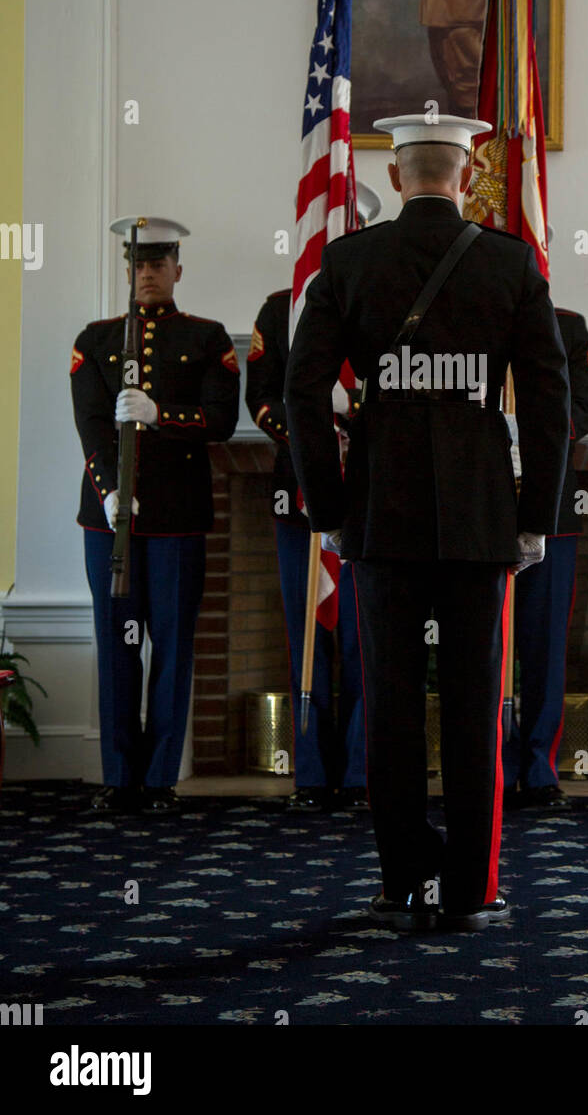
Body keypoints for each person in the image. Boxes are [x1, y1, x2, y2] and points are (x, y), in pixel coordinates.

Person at [285, 113, 570, 931]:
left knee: (393, 703)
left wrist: (330, 508)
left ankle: (402, 880)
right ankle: (472, 888)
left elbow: (304, 392)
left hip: (381, 517)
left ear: (402, 176)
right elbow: (548, 402)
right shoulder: (512, 263)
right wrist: (534, 518)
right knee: (476, 704)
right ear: (463, 172)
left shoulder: (348, 260)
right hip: (484, 520)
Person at [71, 216, 239, 813]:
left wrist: (158, 412)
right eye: (140, 265)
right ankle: (120, 776)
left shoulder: (208, 336)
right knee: (117, 643)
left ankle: (161, 776)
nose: (148, 274)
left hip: (176, 518)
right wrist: (111, 491)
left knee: (171, 644)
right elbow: (91, 425)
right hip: (109, 517)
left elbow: (220, 421)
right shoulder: (95, 339)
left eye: (159, 264)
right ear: (127, 271)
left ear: (177, 271)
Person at [246, 286, 367, 811]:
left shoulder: (381, 296)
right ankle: (313, 772)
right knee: (307, 636)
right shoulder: (279, 309)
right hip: (300, 491)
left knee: (366, 643)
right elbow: (262, 398)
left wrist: (355, 411)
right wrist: (315, 426)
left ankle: (363, 771)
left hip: (369, 493)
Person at [503, 306, 588, 813]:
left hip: (552, 505)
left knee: (544, 648)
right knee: (485, 649)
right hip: (481, 505)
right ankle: (492, 763)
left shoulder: (569, 325)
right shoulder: (466, 311)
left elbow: (585, 407)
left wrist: (534, 430)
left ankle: (539, 768)